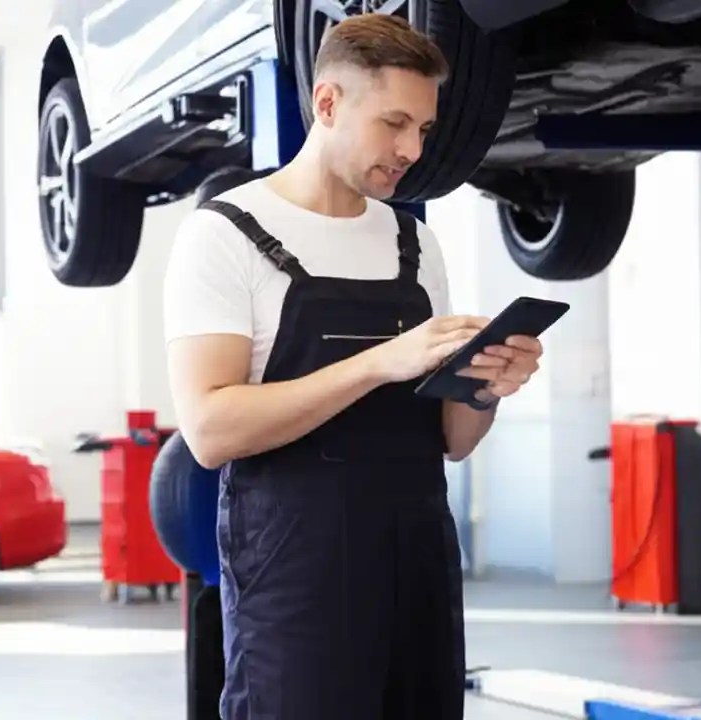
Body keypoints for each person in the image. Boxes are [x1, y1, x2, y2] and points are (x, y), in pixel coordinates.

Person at [162, 14, 545, 720]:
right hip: (295, 586)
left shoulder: (415, 243)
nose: (410, 149)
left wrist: (489, 385)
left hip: (418, 571)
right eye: (394, 122)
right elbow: (211, 428)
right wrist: (379, 363)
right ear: (329, 102)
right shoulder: (223, 235)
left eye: (423, 130)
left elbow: (452, 441)